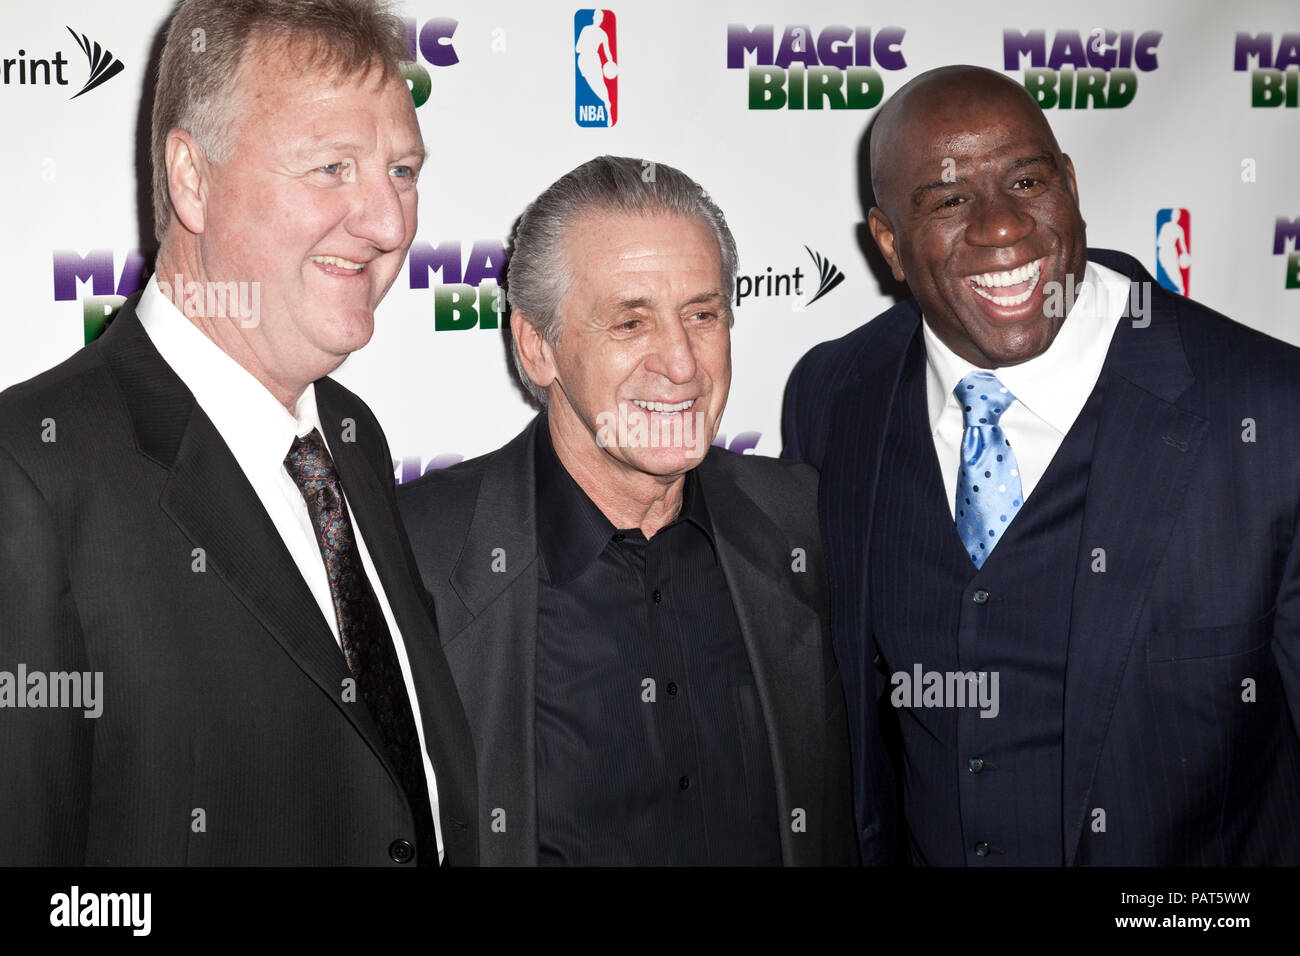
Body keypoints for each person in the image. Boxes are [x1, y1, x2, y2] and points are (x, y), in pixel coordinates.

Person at [783, 65, 1300, 866]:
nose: (1000, 228)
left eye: (1026, 180)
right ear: (888, 244)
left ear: (1071, 185)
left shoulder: (1268, 410)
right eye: (950, 199)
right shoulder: (834, 396)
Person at [0, 0, 476, 866]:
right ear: (192, 177)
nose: (392, 224)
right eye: (332, 167)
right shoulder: (27, 475)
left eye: (402, 170)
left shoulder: (351, 438)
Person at [398, 155, 857, 866]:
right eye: (629, 322)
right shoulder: (414, 558)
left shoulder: (807, 522)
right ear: (537, 348)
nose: (680, 363)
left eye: (702, 315)